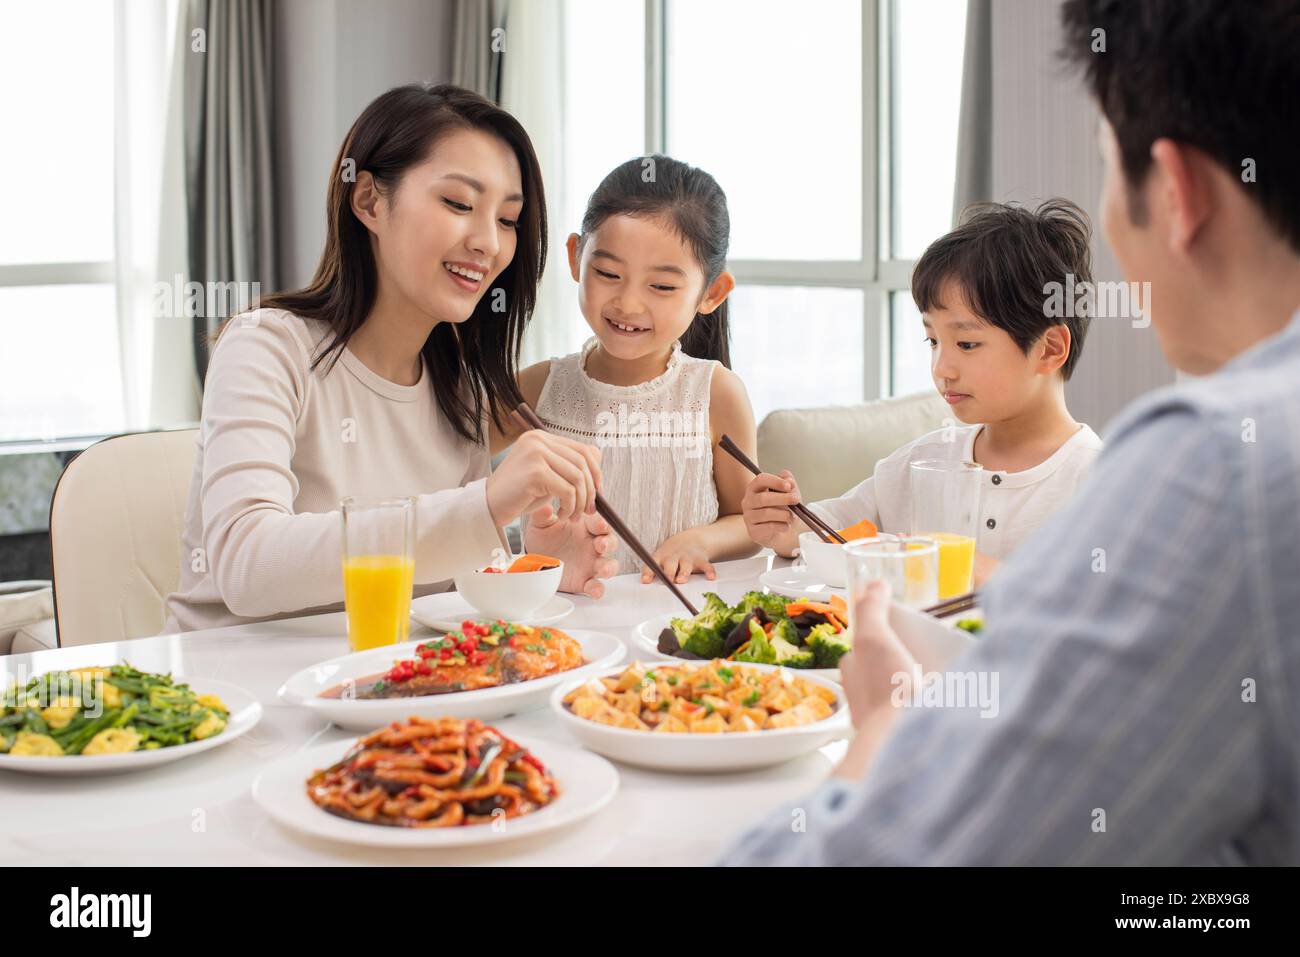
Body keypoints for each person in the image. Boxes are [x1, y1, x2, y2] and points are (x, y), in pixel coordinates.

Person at [719, 0, 1300, 865]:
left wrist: (880, 726)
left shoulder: (1206, 468)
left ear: (1176, 192)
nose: (943, 365)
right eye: (934, 340)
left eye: (1108, 164)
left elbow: (906, 849)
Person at [164, 84, 617, 633]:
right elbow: (247, 565)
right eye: (458, 204)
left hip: (384, 673)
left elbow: (443, 580)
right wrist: (483, 505)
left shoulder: (458, 387)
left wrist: (533, 566)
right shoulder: (266, 346)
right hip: (231, 675)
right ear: (370, 201)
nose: (488, 243)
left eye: (507, 220)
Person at [742, 199, 1102, 587]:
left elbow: (1104, 603)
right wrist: (785, 527)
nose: (941, 368)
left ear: (1049, 349)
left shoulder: (1098, 481)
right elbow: (830, 530)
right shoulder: (923, 461)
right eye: (932, 341)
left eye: (966, 344)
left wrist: (992, 576)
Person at [494, 155, 759, 584]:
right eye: (607, 273)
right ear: (575, 257)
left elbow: (750, 523)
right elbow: (449, 468)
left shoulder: (715, 393)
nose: (628, 304)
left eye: (662, 286)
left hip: (675, 618)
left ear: (712, 292)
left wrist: (700, 541)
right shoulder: (541, 386)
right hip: (563, 615)